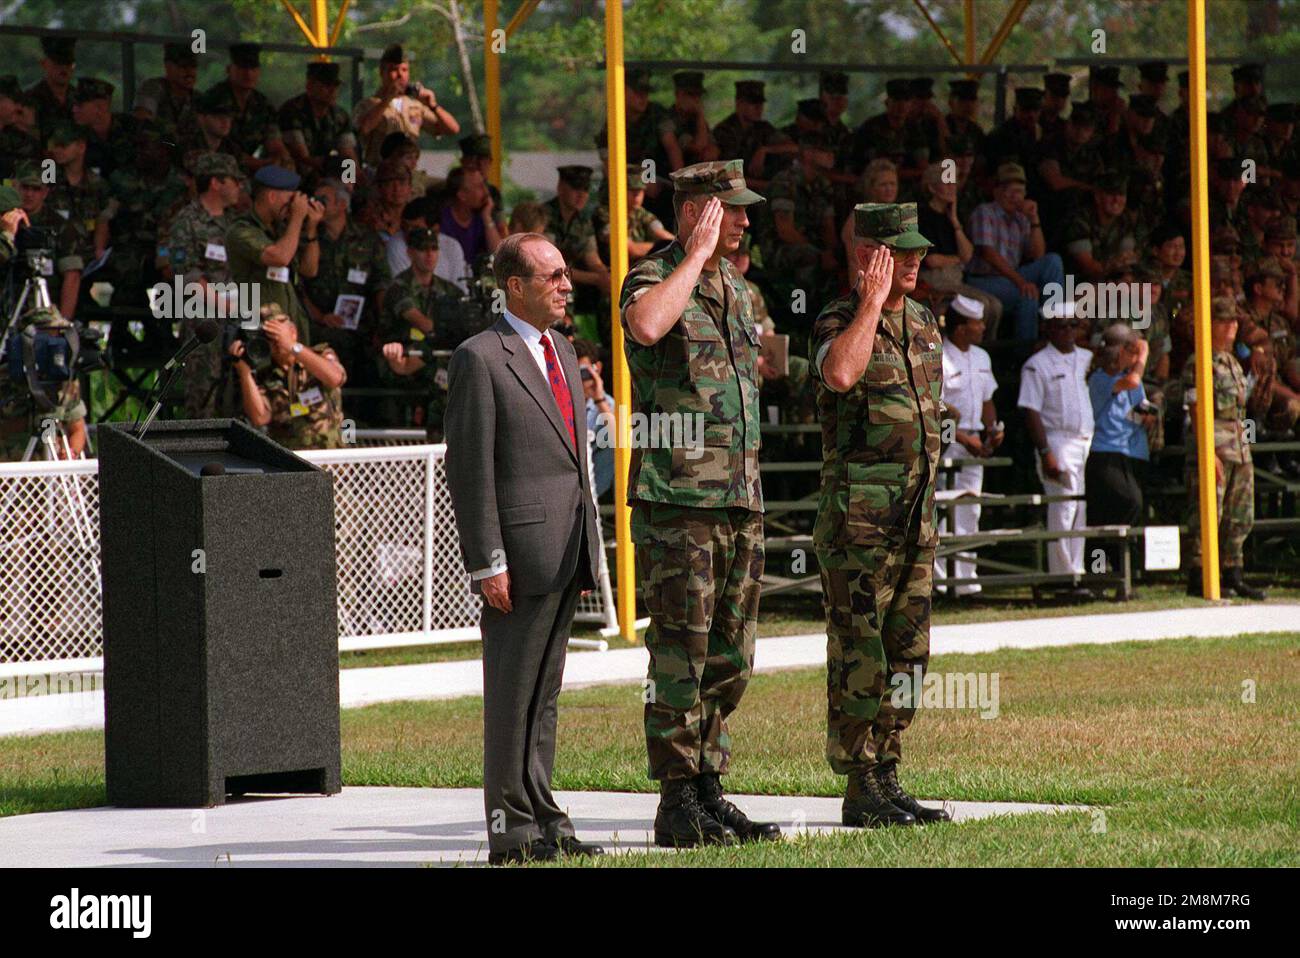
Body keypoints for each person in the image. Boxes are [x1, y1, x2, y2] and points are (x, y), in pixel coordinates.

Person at [619, 159, 780, 847]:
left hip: (739, 497)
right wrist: (696, 255)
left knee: (731, 654)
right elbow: (648, 328)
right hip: (678, 498)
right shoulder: (656, 276)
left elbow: (774, 362)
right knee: (679, 651)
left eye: (744, 210)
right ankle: (675, 798)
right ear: (695, 211)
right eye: (731, 209)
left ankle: (709, 785)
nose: (744, 219)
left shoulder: (741, 292)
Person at [443, 232, 604, 866]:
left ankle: (543, 813)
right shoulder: (479, 357)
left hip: (565, 548)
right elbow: (470, 467)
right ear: (515, 286)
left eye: (566, 274)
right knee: (511, 695)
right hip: (517, 555)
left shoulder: (562, 348)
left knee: (545, 693)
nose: (567, 286)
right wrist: (487, 561)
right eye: (554, 276)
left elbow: (571, 461)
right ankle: (508, 828)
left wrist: (586, 545)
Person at [810, 201, 951, 827]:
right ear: (869, 256)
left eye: (920, 249)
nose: (917, 259)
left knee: (908, 657)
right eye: (902, 250)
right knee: (859, 654)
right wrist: (869, 304)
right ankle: (858, 780)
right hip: (858, 528)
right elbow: (841, 375)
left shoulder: (923, 321)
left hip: (915, 522)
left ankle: (887, 768)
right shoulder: (839, 320)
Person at [1183, 298, 1268, 600]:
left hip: (1238, 444)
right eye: (1224, 321)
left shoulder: (1231, 361)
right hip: (1216, 443)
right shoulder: (1200, 361)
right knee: (1208, 511)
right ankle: (1200, 573)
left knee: (1240, 513)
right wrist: (1208, 452)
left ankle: (1233, 572)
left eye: (1234, 321)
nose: (1231, 326)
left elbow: (1241, 410)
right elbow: (1195, 407)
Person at [160, 152, 245, 418]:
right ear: (216, 183)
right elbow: (187, 277)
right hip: (204, 323)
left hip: (236, 320)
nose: (239, 187)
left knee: (235, 395)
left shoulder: (234, 223)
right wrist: (225, 306)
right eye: (234, 180)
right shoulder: (188, 222)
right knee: (203, 397)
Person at [1018, 304, 1094, 593]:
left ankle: (1077, 571)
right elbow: (1031, 411)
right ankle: (1062, 576)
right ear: (1049, 329)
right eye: (1062, 326)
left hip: (1084, 440)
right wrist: (1044, 450)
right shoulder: (1038, 364)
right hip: (1057, 440)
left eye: (1073, 325)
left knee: (1080, 508)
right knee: (1062, 507)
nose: (1069, 331)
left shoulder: (1086, 359)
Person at [934, 295, 1000, 597]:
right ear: (960, 328)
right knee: (941, 511)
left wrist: (991, 430)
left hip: (975, 441)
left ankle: (966, 580)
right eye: (977, 323)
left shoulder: (982, 357)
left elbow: (987, 400)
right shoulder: (939, 357)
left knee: (969, 510)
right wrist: (961, 437)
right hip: (947, 440)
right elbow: (933, 407)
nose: (983, 327)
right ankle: (939, 582)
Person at [965, 162, 1064, 343]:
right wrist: (1021, 283)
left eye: (1019, 191)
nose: (1014, 196)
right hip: (983, 280)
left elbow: (1038, 255)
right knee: (1027, 297)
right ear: (996, 192)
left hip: (1011, 278)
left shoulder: (1021, 218)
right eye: (1008, 190)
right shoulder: (985, 212)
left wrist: (1034, 219)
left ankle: (1055, 322)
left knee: (1053, 261)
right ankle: (1024, 354)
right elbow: (988, 253)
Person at [225, 164, 324, 346]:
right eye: (290, 199)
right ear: (271, 197)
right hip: (260, 331)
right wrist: (297, 218)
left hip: (290, 328)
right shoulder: (241, 230)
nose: (293, 206)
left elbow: (309, 270)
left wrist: (311, 229)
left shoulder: (282, 231)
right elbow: (279, 258)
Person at [1085, 324, 1152, 586]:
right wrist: (1143, 358)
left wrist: (1145, 418)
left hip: (1133, 452)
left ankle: (1116, 574)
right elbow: (1130, 382)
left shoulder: (1130, 378)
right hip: (1106, 453)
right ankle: (1102, 570)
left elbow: (1133, 409)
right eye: (1132, 352)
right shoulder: (1101, 379)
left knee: (1119, 513)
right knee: (1125, 504)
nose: (1136, 359)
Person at [228, 308, 346, 449]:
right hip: (291, 462)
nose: (275, 340)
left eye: (277, 332)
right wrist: (244, 372)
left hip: (329, 459)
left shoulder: (320, 356)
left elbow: (336, 378)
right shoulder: (265, 376)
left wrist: (292, 346)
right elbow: (260, 418)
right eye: (268, 337)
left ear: (293, 332)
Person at [916, 161, 1002, 335]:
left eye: (953, 182)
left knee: (995, 305)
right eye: (946, 183)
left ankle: (985, 349)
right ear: (932, 188)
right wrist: (957, 259)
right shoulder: (923, 216)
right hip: (934, 280)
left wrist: (955, 221)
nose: (952, 187)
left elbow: (968, 255)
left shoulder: (953, 216)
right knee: (982, 305)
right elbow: (932, 260)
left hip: (955, 278)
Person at [353, 44, 458, 168]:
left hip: (410, 173)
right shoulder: (369, 105)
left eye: (404, 70)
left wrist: (433, 106)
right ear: (382, 72)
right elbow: (364, 128)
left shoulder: (415, 106)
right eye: (394, 69)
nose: (400, 75)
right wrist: (386, 100)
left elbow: (452, 129)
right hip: (380, 172)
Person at [202, 43, 291, 174]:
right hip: (216, 170)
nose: (248, 74)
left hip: (252, 170)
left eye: (253, 68)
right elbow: (216, 147)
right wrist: (260, 164)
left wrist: (282, 159)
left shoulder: (263, 104)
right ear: (229, 69)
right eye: (242, 68)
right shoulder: (213, 99)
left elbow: (274, 142)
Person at [278, 60, 360, 178]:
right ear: (310, 86)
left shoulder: (340, 116)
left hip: (327, 175)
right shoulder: (292, 112)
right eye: (326, 85)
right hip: (293, 176)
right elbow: (302, 159)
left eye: (335, 86)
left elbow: (348, 156)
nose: (332, 91)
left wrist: (350, 182)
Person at [542, 165, 610, 301]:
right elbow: (549, 267)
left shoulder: (583, 221)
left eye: (585, 189)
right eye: (575, 188)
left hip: (571, 281)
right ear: (560, 187)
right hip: (547, 282)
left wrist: (607, 275)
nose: (581, 195)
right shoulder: (545, 216)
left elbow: (592, 259)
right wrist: (596, 279)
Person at [132, 42, 200, 147]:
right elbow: (141, 121)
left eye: (193, 67)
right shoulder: (154, 88)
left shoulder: (197, 98)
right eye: (183, 67)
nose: (189, 72)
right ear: (168, 67)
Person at [572, 338, 615, 497]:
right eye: (573, 373)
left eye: (584, 373)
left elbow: (622, 440)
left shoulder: (607, 405)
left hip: (594, 485)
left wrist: (599, 400)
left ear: (597, 369)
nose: (579, 381)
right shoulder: (558, 402)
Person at [27, 36, 76, 146]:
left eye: (68, 63)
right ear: (44, 64)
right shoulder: (30, 99)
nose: (63, 69)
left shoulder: (81, 99)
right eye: (58, 63)